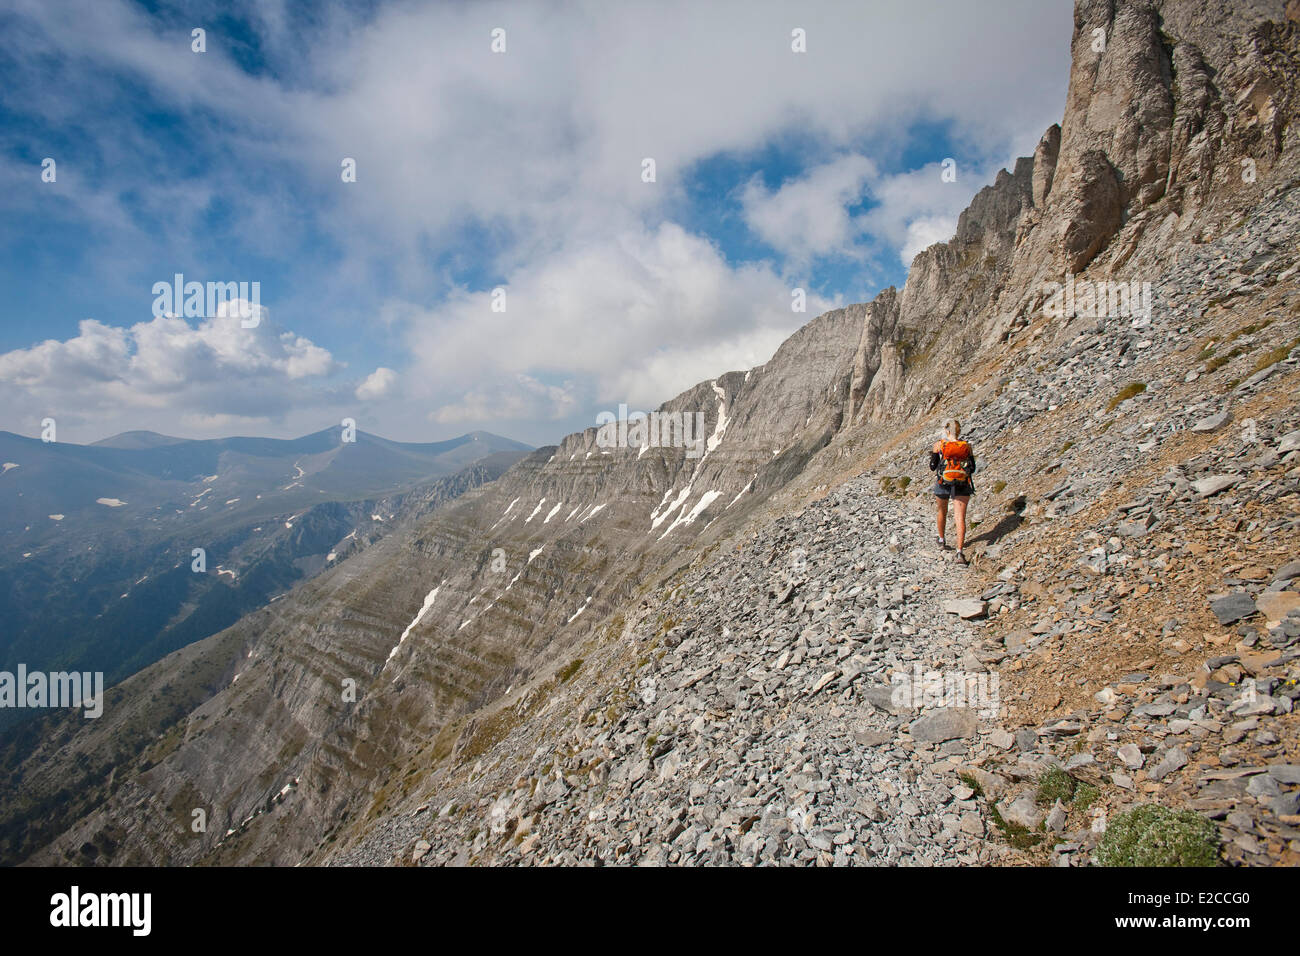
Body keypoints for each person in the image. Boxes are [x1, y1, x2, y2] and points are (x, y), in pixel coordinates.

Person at [929, 420, 976, 565]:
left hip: (943, 482)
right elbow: (972, 468)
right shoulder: (966, 446)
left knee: (941, 511)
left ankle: (942, 540)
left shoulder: (940, 444)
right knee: (959, 517)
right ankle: (959, 553)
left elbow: (933, 466)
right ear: (960, 430)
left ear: (946, 430)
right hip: (962, 484)